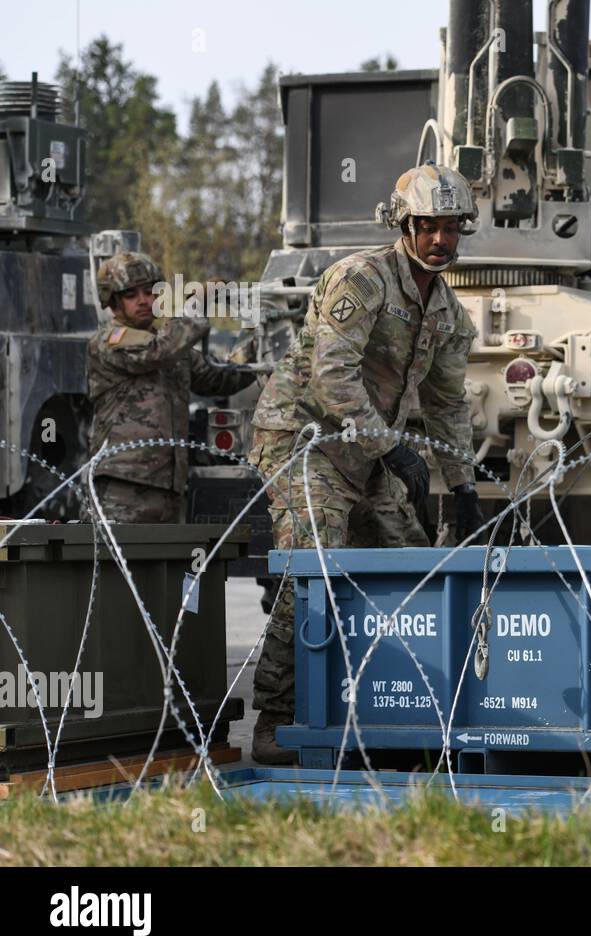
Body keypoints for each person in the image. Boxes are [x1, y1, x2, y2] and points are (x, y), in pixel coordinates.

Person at [247, 165, 485, 765]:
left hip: (369, 447)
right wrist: (394, 449)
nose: (439, 239)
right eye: (426, 226)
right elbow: (333, 379)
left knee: (404, 563)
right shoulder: (362, 278)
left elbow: (447, 402)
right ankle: (276, 718)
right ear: (403, 224)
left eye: (450, 228)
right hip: (306, 439)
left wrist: (463, 487)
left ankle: (387, 709)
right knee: (315, 566)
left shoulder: (450, 314)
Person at [87, 252, 257, 522]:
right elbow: (159, 351)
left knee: (166, 564)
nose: (143, 300)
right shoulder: (110, 341)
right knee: (118, 564)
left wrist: (255, 339)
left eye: (149, 292)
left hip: (170, 486)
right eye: (131, 294)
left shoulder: (172, 345)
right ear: (114, 302)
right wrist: (196, 306)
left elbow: (221, 379)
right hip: (123, 487)